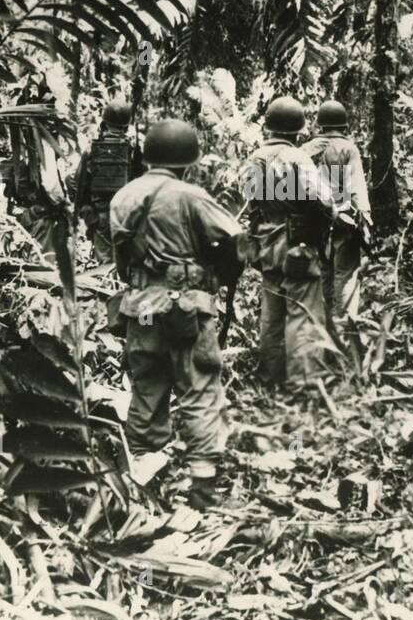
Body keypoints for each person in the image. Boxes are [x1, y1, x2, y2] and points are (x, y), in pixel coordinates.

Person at [109, 119, 244, 509]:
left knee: (147, 385)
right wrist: (217, 273)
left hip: (143, 311)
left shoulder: (124, 196)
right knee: (199, 388)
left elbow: (119, 258)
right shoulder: (190, 196)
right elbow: (235, 239)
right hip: (186, 309)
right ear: (188, 161)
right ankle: (202, 487)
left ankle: (140, 476)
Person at [243, 97, 338, 394]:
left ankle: (270, 377)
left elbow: (248, 198)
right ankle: (304, 384)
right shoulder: (297, 158)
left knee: (271, 315)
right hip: (297, 245)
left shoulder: (254, 158)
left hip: (266, 246)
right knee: (303, 315)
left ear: (268, 127)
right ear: (297, 130)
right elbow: (323, 201)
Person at [302, 99, 371, 331]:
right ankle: (343, 332)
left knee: (322, 272)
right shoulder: (348, 148)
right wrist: (365, 220)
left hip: (313, 221)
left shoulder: (307, 149)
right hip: (343, 218)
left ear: (320, 125)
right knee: (346, 274)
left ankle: (320, 329)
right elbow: (357, 187)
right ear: (344, 125)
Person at [74, 99, 136, 264]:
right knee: (126, 264)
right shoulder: (133, 151)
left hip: (100, 215)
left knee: (104, 266)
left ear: (105, 123)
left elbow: (77, 182)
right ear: (126, 125)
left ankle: (106, 288)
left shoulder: (93, 150)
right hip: (127, 216)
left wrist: (85, 210)